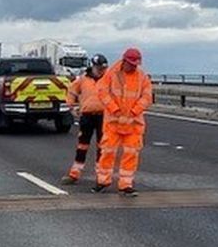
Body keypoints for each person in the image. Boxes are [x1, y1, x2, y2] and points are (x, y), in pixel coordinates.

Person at [95, 48, 152, 196]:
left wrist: (134, 111)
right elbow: (102, 91)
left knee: (131, 154)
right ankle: (103, 181)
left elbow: (147, 97)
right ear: (124, 61)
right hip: (114, 123)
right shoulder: (112, 74)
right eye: (131, 64)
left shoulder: (142, 77)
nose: (133, 67)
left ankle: (126, 184)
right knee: (107, 152)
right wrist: (114, 109)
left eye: (135, 64)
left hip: (133, 124)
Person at [61, 54, 109, 186]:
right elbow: (71, 91)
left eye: (103, 68)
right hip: (87, 116)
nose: (101, 71)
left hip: (104, 116)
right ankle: (74, 174)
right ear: (93, 67)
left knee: (103, 147)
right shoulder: (83, 79)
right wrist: (71, 106)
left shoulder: (109, 79)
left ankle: (101, 177)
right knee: (82, 146)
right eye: (99, 68)